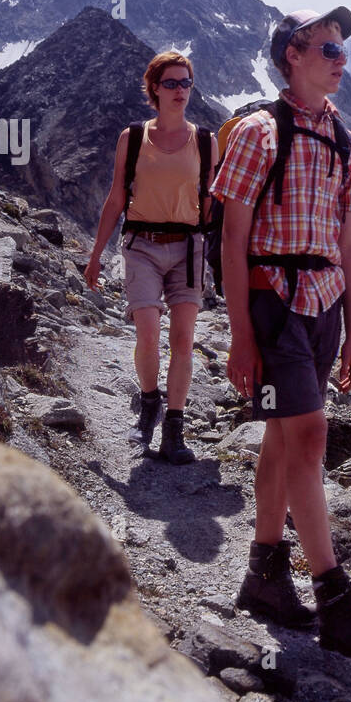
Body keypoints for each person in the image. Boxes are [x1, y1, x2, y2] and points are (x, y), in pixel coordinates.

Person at [209, 7, 351, 658]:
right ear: (293, 54)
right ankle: (334, 598)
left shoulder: (348, 143)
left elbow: (348, 243)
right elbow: (233, 238)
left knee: (280, 441)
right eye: (328, 49)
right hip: (271, 307)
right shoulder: (258, 134)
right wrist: (239, 335)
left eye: (344, 51)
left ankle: (264, 574)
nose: (341, 61)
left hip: (322, 309)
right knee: (310, 434)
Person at [85, 51, 216, 464]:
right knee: (146, 332)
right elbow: (116, 198)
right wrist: (95, 256)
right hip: (141, 244)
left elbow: (212, 204)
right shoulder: (133, 137)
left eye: (186, 83)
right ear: (154, 88)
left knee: (182, 340)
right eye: (172, 83)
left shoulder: (207, 141)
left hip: (188, 249)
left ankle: (173, 430)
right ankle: (148, 404)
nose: (180, 91)